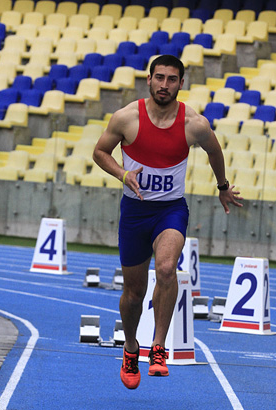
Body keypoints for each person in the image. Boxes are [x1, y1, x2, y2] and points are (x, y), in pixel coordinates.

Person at [93, 55, 243, 390]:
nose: (164, 85)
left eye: (171, 79)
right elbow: (100, 152)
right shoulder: (126, 118)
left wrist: (222, 187)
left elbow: (214, 152)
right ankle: (131, 347)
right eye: (159, 78)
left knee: (165, 269)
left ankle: (158, 348)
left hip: (170, 211)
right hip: (134, 212)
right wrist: (122, 173)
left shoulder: (194, 124)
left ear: (180, 83)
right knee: (134, 293)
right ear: (149, 80)